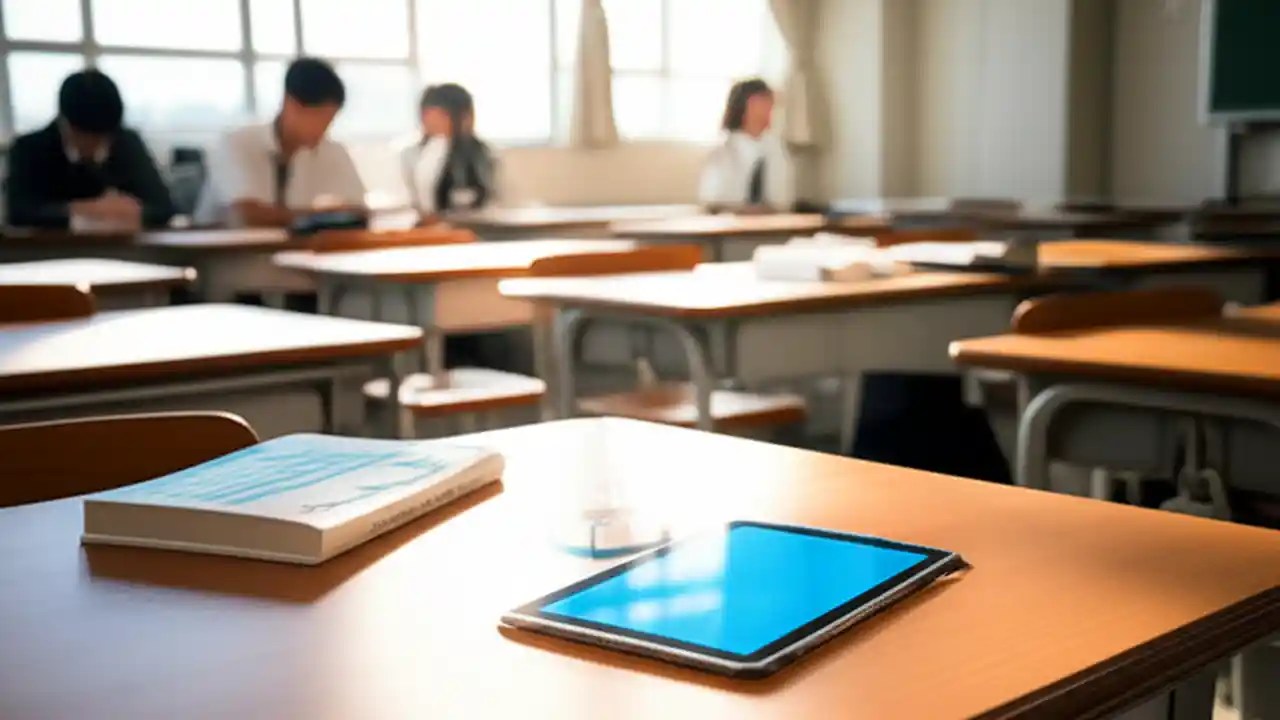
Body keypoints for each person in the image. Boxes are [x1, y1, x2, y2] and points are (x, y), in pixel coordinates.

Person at [197, 57, 365, 227]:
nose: (323, 129)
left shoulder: (331, 151)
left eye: (329, 120)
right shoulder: (236, 144)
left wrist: (321, 217)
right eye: (318, 118)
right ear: (290, 104)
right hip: (228, 251)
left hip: (297, 251)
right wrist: (320, 216)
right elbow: (247, 216)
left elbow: (358, 212)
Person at [5, 69, 174, 230]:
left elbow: (164, 208)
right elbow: (18, 213)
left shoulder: (127, 142)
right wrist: (81, 210)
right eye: (88, 138)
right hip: (51, 253)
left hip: (120, 250)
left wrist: (131, 211)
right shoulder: (29, 149)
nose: (98, 146)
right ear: (65, 123)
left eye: (104, 137)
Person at [400, 83, 495, 221]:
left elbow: (494, 201)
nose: (429, 120)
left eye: (441, 114)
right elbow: (410, 199)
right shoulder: (411, 153)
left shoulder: (483, 154)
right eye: (426, 114)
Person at [697, 78, 794, 212]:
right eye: (759, 103)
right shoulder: (723, 152)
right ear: (742, 108)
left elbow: (783, 200)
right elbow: (712, 202)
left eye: (769, 104)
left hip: (772, 226)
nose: (767, 110)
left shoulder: (776, 149)